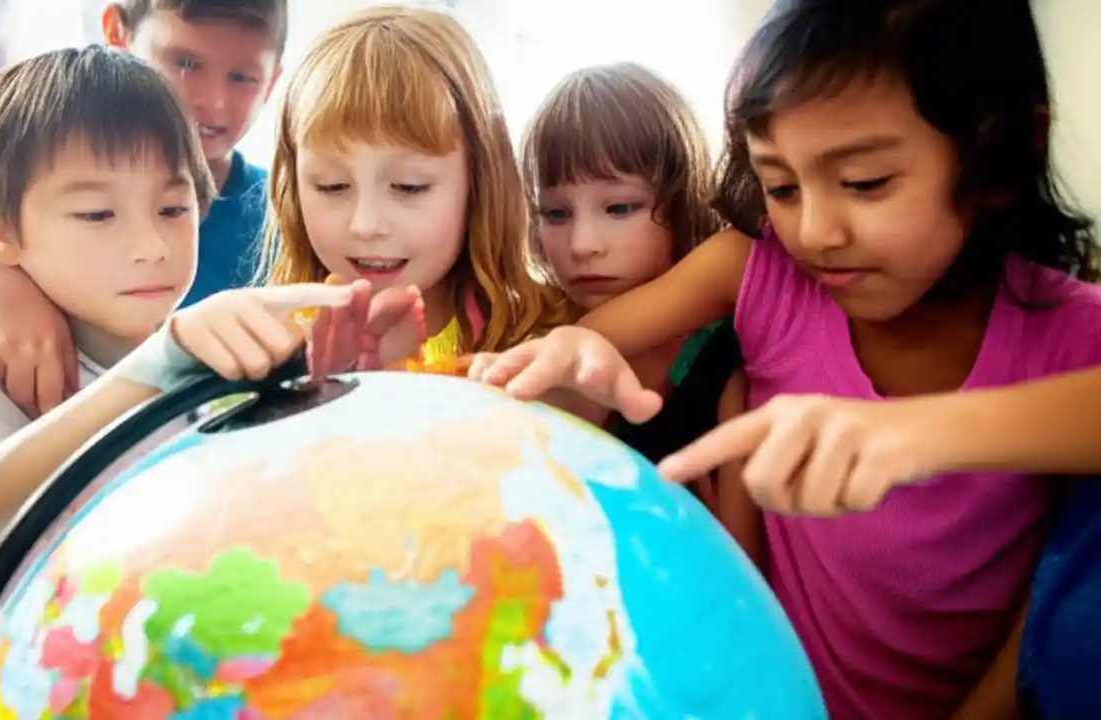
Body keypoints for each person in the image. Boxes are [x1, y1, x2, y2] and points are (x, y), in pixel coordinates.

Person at [470, 1, 1101, 717]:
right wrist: (582, 346)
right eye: (781, 186)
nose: (815, 230)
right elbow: (580, 348)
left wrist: (919, 433)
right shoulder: (759, 270)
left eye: (864, 183)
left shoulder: (1068, 333)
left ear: (1002, 153)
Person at [0, 0, 288, 417]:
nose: (212, 101)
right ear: (117, 32)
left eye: (242, 76)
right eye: (185, 62)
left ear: (272, 81)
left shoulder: (285, 215)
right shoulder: (47, 176)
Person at [260, 4, 571, 372]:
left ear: (480, 184)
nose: (366, 224)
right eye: (332, 186)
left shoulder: (537, 342)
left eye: (409, 187)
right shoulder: (274, 345)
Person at [517, 61, 752, 539]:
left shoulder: (718, 365)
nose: (583, 244)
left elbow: (742, 567)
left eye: (619, 207)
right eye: (556, 213)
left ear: (684, 200)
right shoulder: (529, 333)